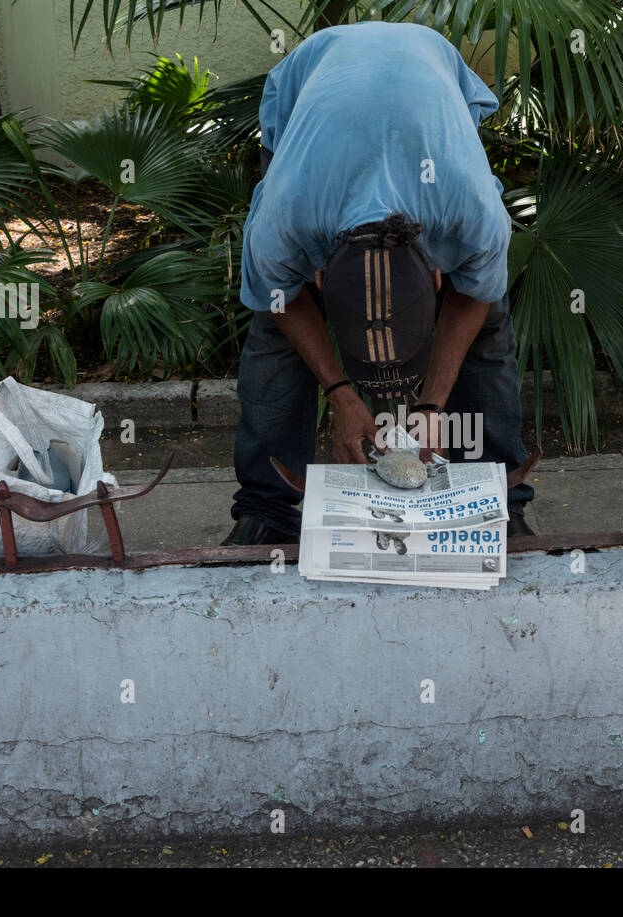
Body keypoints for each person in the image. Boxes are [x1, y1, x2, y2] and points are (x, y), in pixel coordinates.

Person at [220, 20, 535, 546]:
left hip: (429, 66)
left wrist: (432, 406)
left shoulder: (470, 210)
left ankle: (501, 499)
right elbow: (282, 297)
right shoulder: (287, 219)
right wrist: (341, 395)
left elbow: (476, 293)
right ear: (318, 271)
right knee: (274, 338)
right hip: (313, 75)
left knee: (488, 326)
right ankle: (265, 509)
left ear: (438, 272)